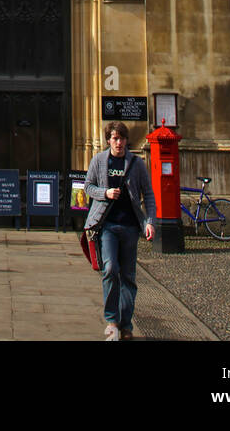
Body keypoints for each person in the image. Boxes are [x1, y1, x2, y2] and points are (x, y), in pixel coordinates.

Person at [84, 121, 156, 341]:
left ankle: (126, 325)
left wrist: (149, 222)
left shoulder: (136, 163)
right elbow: (87, 186)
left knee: (128, 277)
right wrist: (105, 193)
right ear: (108, 140)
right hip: (107, 225)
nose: (118, 142)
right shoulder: (98, 160)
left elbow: (149, 194)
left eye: (122, 138)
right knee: (110, 268)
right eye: (115, 138)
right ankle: (112, 320)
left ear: (126, 140)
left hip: (131, 227)